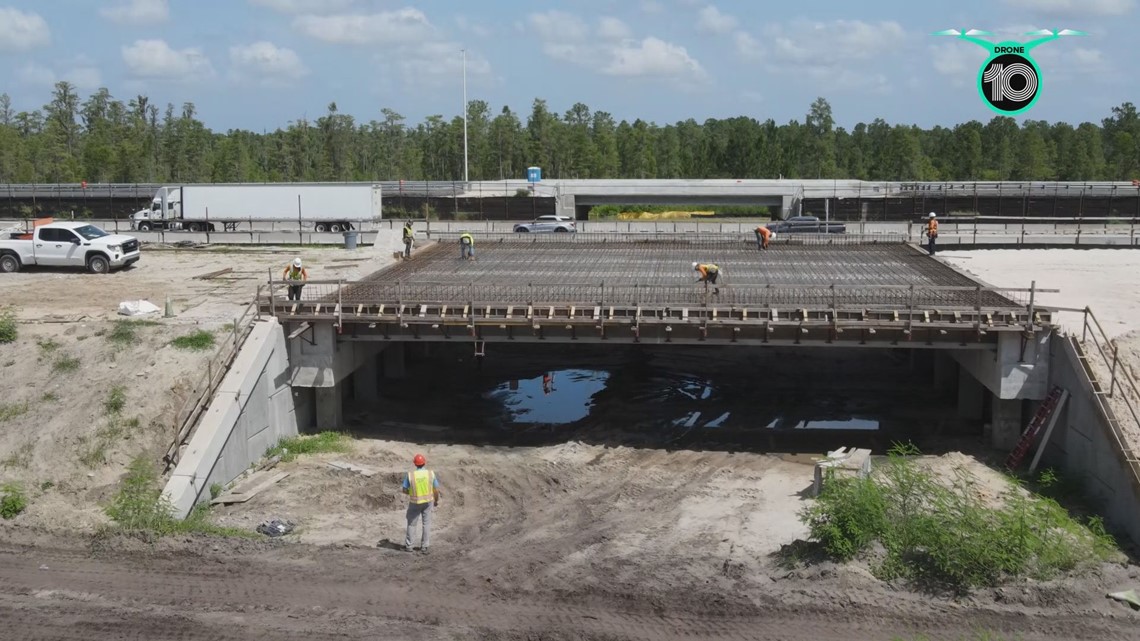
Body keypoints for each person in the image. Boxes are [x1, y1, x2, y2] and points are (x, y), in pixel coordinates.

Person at [402, 453, 440, 554]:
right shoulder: (430, 473)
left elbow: (404, 490)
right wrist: (436, 500)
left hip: (415, 502)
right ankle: (424, 547)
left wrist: (411, 493)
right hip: (428, 502)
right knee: (426, 524)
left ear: (415, 464)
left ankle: (409, 546)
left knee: (411, 524)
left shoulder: (410, 475)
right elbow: (436, 490)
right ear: (424, 463)